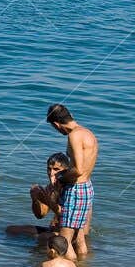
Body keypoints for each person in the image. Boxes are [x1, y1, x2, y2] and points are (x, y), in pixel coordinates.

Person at [46, 103, 98, 256]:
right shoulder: (88, 133)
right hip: (86, 187)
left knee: (64, 241)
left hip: (75, 190)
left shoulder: (74, 135)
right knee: (79, 239)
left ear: (56, 124)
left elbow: (78, 169)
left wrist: (60, 179)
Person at [6, 154, 71, 241]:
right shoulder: (50, 188)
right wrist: (35, 199)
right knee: (11, 230)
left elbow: (66, 214)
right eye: (49, 169)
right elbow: (40, 215)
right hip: (54, 229)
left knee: (42, 237)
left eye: (56, 169)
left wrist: (45, 199)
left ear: (65, 170)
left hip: (69, 232)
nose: (51, 173)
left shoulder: (69, 188)